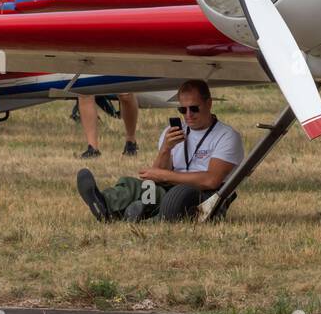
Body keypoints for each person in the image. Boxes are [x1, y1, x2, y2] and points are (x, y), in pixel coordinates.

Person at [76, 80, 243, 222]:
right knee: (138, 186)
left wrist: (165, 176)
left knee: (174, 200)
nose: (188, 114)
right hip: (170, 188)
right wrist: (165, 149)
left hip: (204, 196)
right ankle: (104, 204)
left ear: (209, 103)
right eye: (182, 110)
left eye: (194, 108)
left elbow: (211, 180)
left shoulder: (227, 136)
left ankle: (141, 215)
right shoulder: (172, 132)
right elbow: (156, 174)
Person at [71, 0, 141, 158]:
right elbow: (70, 4)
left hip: (116, 37)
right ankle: (93, 147)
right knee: (85, 91)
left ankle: (131, 140)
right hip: (86, 37)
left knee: (125, 93)